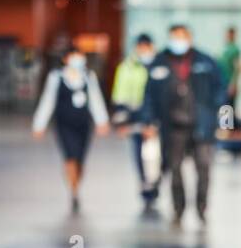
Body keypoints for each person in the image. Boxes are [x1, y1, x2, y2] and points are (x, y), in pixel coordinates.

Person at [139, 22, 225, 227]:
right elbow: (149, 95)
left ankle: (201, 208)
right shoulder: (159, 63)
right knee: (174, 168)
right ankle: (178, 208)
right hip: (172, 126)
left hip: (202, 125)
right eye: (175, 37)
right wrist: (148, 121)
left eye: (182, 37)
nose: (179, 41)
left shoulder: (206, 62)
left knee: (204, 167)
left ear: (190, 38)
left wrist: (223, 122)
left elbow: (220, 92)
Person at [32, 46, 110, 212]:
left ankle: (77, 183)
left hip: (83, 123)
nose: (76, 59)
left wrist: (102, 121)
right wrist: (39, 124)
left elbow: (96, 99)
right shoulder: (56, 77)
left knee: (80, 159)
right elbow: (48, 99)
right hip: (64, 123)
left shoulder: (89, 76)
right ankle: (73, 191)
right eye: (73, 56)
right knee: (70, 158)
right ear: (66, 59)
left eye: (79, 55)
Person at [111, 32, 159, 210]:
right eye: (141, 47)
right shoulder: (127, 67)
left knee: (158, 154)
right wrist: (122, 123)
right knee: (139, 153)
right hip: (136, 118)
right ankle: (145, 183)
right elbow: (120, 95)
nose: (144, 50)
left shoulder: (160, 65)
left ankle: (154, 181)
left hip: (157, 118)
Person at [218, 25, 241, 115]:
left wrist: (233, 83)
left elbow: (237, 67)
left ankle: (228, 126)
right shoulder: (225, 48)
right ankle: (225, 125)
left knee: (228, 105)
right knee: (224, 103)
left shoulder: (235, 49)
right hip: (222, 80)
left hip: (229, 81)